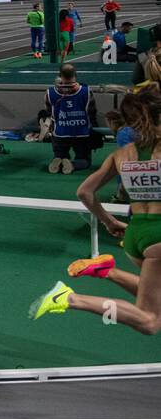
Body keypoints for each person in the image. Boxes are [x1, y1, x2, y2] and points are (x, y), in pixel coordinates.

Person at [31, 88, 161, 335]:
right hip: (158, 237)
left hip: (136, 235)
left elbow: (85, 192)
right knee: (150, 321)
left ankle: (106, 271)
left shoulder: (121, 154)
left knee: (154, 294)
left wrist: (108, 221)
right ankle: (69, 299)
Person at [46, 63, 98, 174]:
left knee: (60, 155)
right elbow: (92, 113)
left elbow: (50, 113)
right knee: (84, 160)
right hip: (81, 133)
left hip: (60, 133)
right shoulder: (86, 91)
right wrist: (94, 131)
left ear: (60, 75)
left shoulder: (50, 92)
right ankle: (73, 164)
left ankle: (59, 160)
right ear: (75, 74)